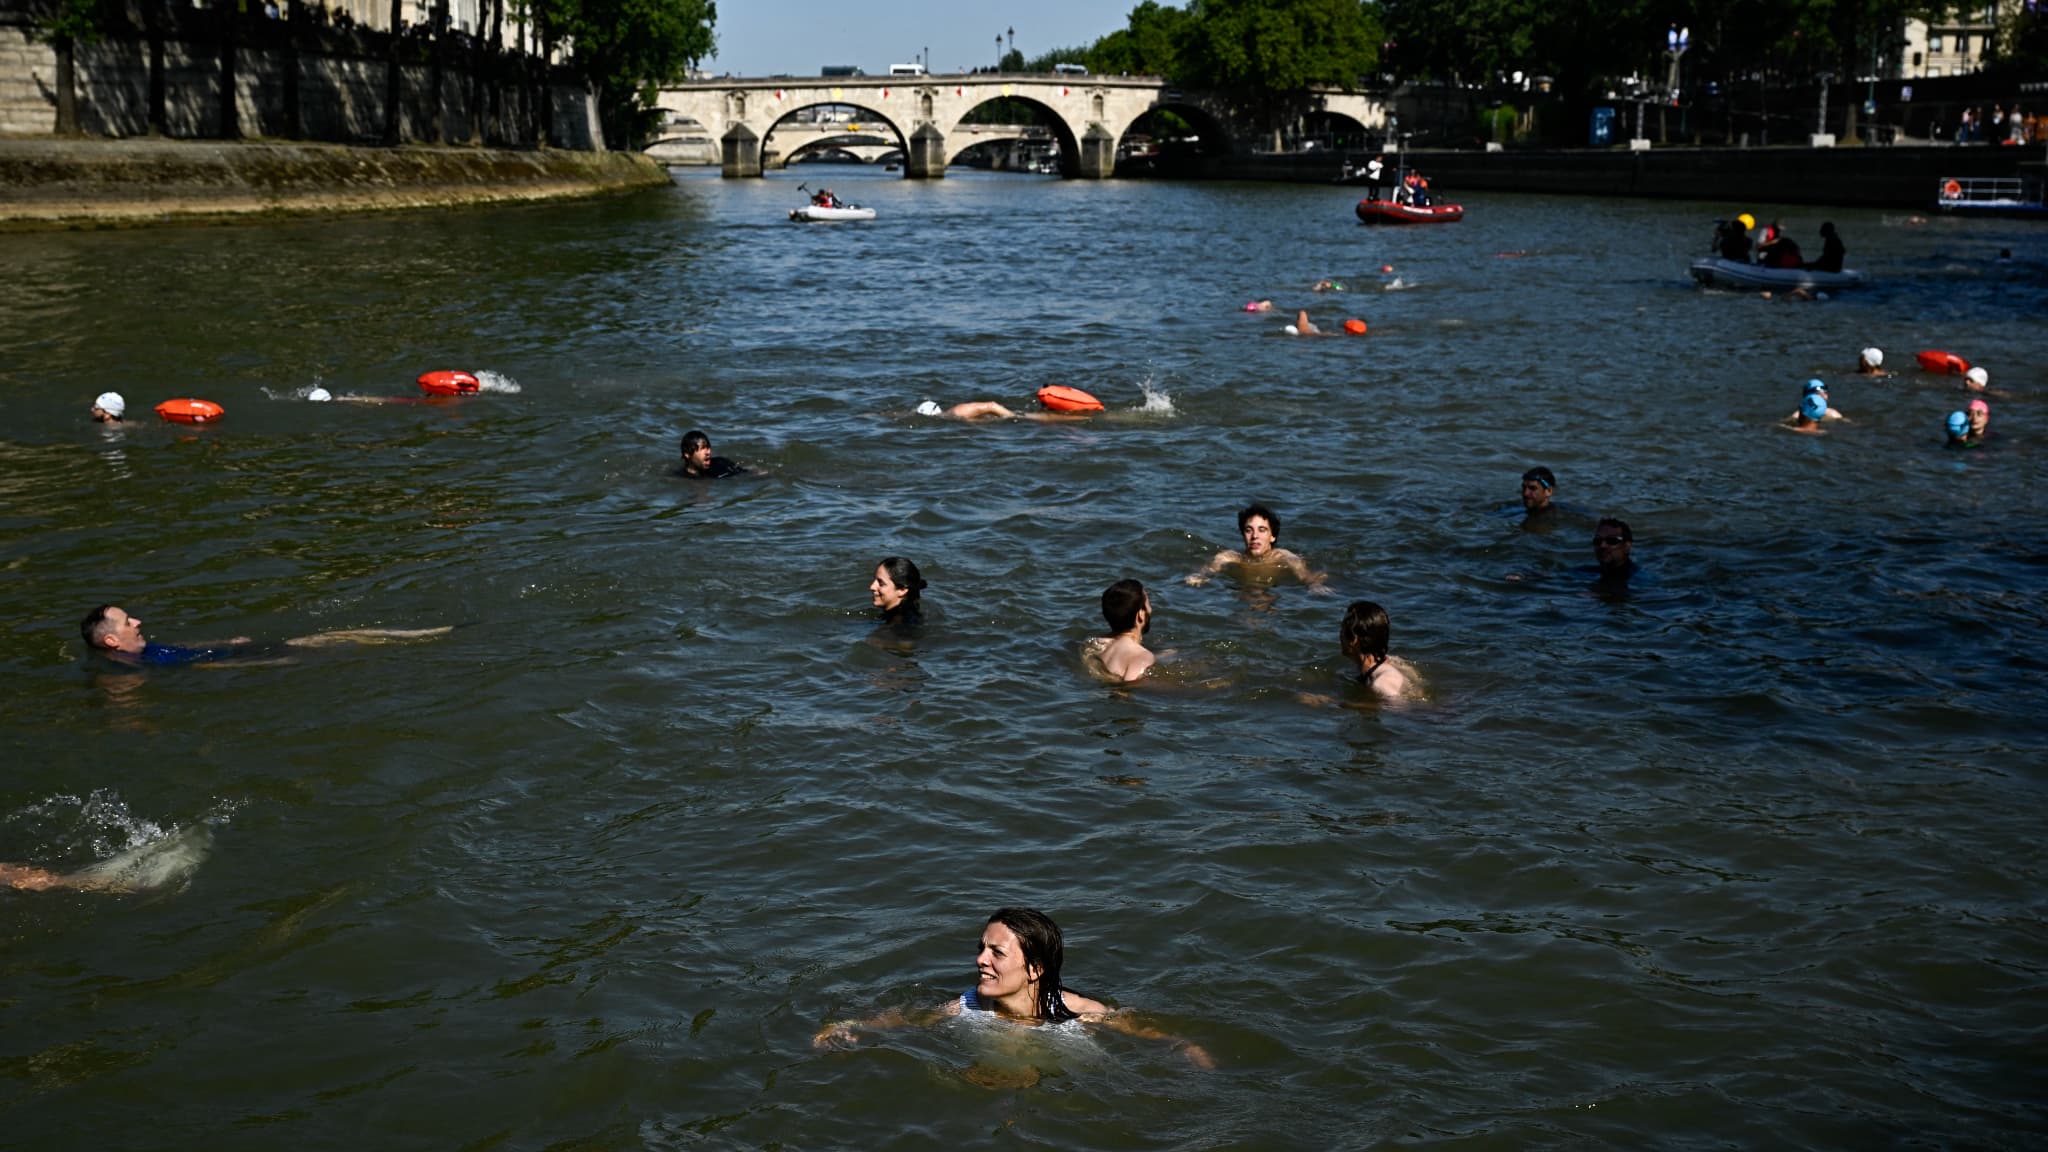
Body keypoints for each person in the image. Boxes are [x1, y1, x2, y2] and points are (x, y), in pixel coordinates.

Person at [812, 907, 1213, 1068]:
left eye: (996, 953)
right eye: (981, 949)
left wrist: (1186, 1047)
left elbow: (1143, 1030)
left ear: (1035, 969)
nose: (980, 960)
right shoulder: (966, 1007)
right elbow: (908, 1017)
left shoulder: (1079, 1013)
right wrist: (850, 1025)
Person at [79, 604, 450, 666]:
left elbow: (181, 649)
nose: (137, 621)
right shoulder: (127, 672)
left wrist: (224, 643)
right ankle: (423, 635)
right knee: (331, 642)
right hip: (244, 664)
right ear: (112, 640)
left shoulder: (141, 653)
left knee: (334, 636)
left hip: (238, 654)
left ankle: (419, 634)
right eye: (127, 622)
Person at [1186, 504, 1329, 590]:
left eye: (1262, 530)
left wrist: (1316, 585)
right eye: (1249, 530)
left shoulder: (1284, 557)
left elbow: (1306, 576)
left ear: (1272, 536)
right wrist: (1199, 576)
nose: (1255, 536)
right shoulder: (1232, 557)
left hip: (1274, 594)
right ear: (1243, 534)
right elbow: (1210, 568)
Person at [1339, 600, 1416, 701]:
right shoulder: (1388, 662)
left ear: (1354, 639)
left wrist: (1335, 702)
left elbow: (1404, 708)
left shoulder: (1382, 683)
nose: (1340, 635)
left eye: (1342, 630)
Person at [1086, 579, 1155, 683]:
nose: (1151, 609)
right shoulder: (1142, 657)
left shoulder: (1093, 645)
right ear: (1140, 615)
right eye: (1148, 604)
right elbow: (1126, 687)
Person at [870, 556, 926, 628]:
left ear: (902, 590)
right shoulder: (910, 612)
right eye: (875, 580)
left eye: (881, 583)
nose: (872, 587)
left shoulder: (897, 628)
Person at [914, 400, 1088, 423]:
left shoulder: (958, 412)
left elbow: (991, 405)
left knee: (1039, 419)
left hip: (1008, 417)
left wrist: (1010, 417)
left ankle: (1082, 417)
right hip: (998, 421)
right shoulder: (949, 417)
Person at [677, 429, 745, 479]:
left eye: (708, 447)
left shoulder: (721, 464)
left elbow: (745, 473)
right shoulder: (680, 477)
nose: (708, 452)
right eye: (703, 448)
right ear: (687, 454)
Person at [1592, 518, 1636, 589]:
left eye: (1611, 540)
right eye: (1598, 540)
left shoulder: (1637, 580)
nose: (1602, 546)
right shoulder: (1584, 572)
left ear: (1627, 547)